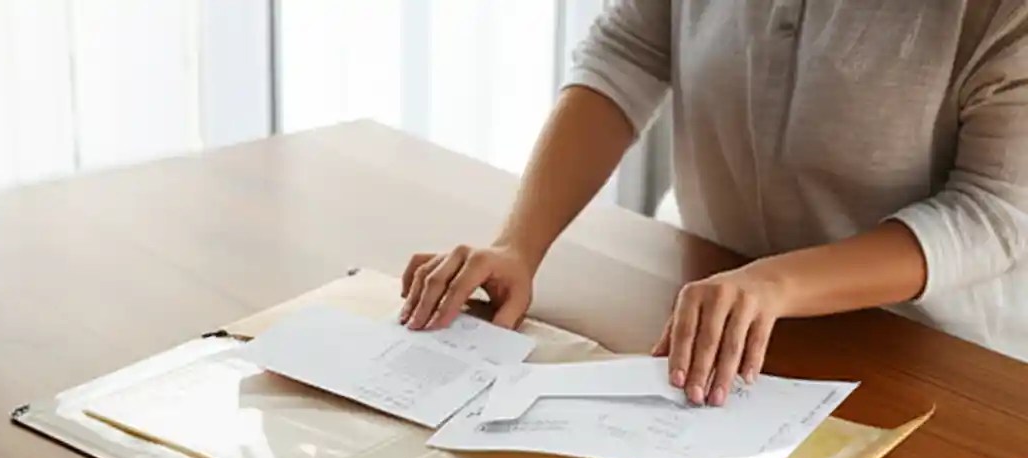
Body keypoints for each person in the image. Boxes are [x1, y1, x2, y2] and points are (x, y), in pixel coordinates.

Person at [398, 1, 1028, 407]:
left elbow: (993, 212)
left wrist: (776, 283)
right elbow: (627, 55)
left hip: (929, 359)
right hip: (704, 307)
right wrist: (519, 244)